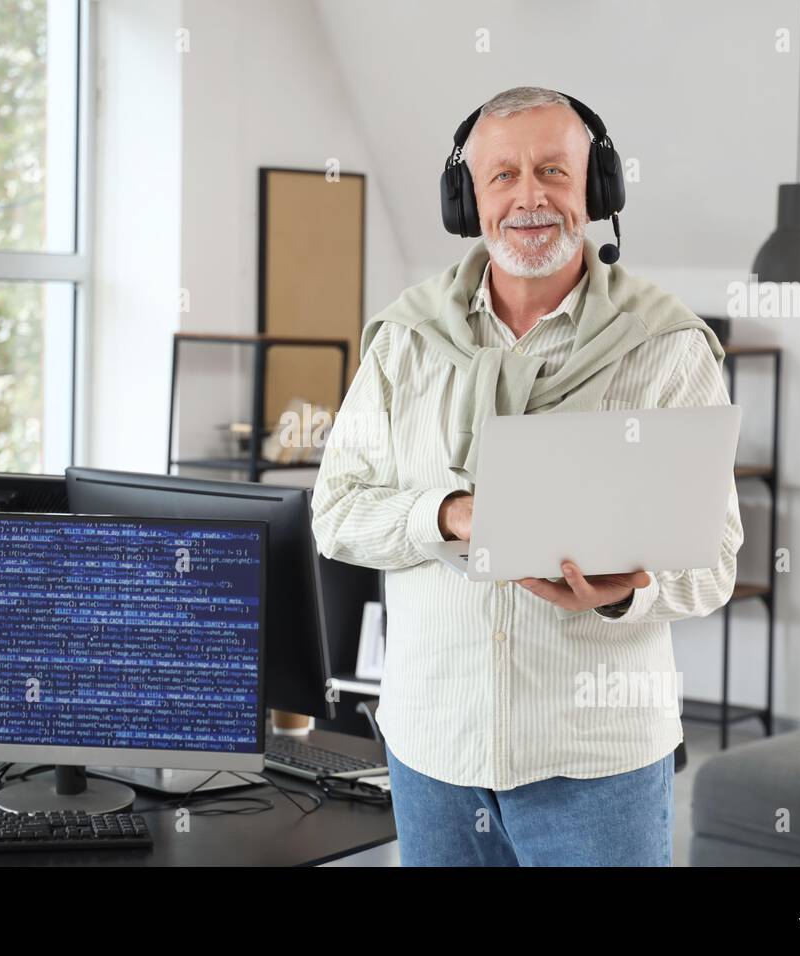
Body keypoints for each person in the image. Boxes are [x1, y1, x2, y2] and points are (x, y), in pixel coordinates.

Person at [310, 86, 743, 866]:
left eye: (553, 170)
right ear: (466, 198)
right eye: (502, 175)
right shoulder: (403, 341)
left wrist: (628, 591)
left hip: (596, 759)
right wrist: (446, 513)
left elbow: (714, 562)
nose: (529, 196)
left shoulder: (665, 346)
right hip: (432, 749)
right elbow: (335, 513)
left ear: (596, 190)